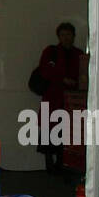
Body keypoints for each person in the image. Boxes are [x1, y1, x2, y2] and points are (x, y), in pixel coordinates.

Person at [35, 21, 86, 175]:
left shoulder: (79, 54)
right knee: (48, 132)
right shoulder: (51, 52)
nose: (66, 38)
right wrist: (62, 79)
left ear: (74, 36)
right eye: (63, 35)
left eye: (68, 34)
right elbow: (45, 70)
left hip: (72, 101)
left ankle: (63, 166)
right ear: (59, 36)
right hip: (53, 98)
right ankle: (50, 166)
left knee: (68, 133)